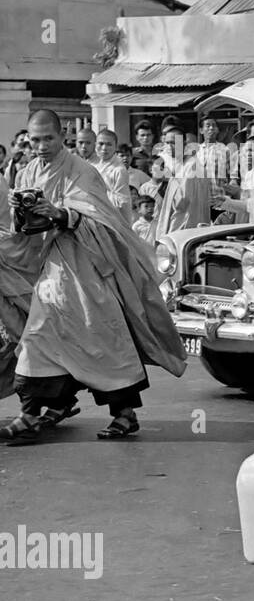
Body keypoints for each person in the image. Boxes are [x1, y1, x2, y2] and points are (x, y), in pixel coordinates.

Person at [0, 109, 185, 444]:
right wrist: (19, 210)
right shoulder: (27, 171)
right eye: (35, 139)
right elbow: (23, 229)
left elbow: (102, 221)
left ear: (62, 137)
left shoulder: (81, 171)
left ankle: (125, 415)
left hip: (85, 268)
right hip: (50, 271)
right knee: (37, 339)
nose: (41, 146)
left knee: (102, 340)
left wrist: (60, 213)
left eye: (48, 139)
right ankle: (31, 414)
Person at [153, 125, 207, 235]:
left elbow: (181, 202)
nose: (169, 146)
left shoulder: (192, 166)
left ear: (184, 143)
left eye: (173, 142)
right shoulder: (177, 164)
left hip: (185, 223)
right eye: (167, 143)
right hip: (177, 219)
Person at [193, 114, 239, 220]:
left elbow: (233, 172)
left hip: (221, 199)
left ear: (218, 130)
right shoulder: (196, 151)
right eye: (207, 125)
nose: (211, 128)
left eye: (214, 126)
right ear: (201, 130)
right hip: (202, 201)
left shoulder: (225, 149)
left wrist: (233, 182)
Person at [88, 129, 134, 225]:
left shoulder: (118, 170)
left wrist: (98, 192)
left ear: (115, 147)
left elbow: (122, 202)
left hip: (114, 221)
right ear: (95, 144)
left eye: (109, 144)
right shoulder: (93, 165)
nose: (104, 148)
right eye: (101, 144)